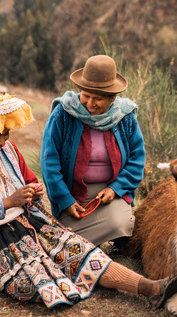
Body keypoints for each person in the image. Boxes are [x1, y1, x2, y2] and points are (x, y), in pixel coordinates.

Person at [0, 90, 177, 309]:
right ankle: (66, 280)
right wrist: (10, 202)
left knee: (80, 250)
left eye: (6, 133)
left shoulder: (8, 151)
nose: (3, 140)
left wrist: (34, 190)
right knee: (37, 276)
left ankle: (151, 287)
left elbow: (29, 179)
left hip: (28, 223)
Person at [40, 55, 145, 246]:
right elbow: (49, 161)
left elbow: (137, 159)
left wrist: (115, 189)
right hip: (73, 193)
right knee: (67, 240)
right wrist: (65, 200)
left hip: (110, 192)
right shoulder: (63, 114)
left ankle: (101, 240)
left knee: (119, 224)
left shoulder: (125, 117)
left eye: (98, 99)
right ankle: (75, 242)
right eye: (86, 95)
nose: (89, 103)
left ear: (113, 98)